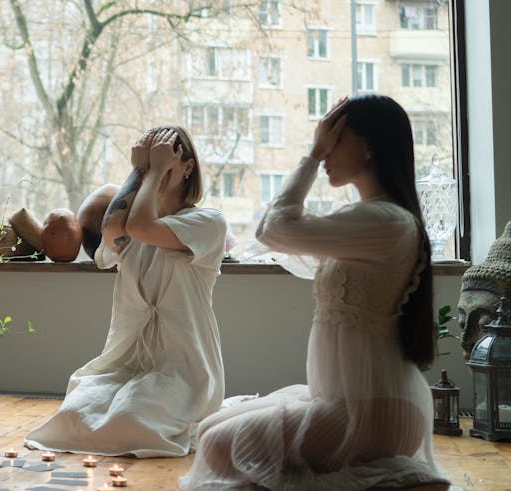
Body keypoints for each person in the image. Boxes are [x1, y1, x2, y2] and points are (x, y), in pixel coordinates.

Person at [181, 95, 449, 490]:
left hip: (376, 412)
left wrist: (310, 155)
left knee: (222, 446)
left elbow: (273, 229)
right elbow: (280, 235)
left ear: (369, 146)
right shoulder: (370, 219)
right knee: (210, 429)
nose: (325, 152)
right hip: (351, 401)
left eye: (335, 140)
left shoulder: (386, 221)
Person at [25, 126, 227, 457]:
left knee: (131, 421)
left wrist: (157, 167)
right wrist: (140, 169)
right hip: (129, 363)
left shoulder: (207, 223)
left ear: (188, 167)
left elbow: (142, 227)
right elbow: (115, 228)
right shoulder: (131, 228)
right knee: (75, 413)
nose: (153, 175)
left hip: (184, 367)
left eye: (166, 165)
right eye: (147, 167)